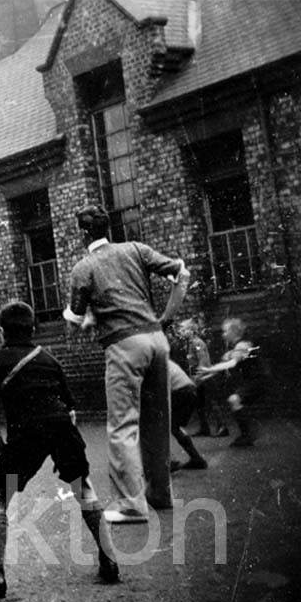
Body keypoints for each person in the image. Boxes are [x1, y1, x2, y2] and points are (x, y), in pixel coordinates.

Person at [0, 301, 119, 599]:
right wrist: (64, 445)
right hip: (61, 427)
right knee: (84, 488)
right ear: (32, 329)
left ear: (2, 331)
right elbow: (71, 411)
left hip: (26, 433)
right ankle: (110, 561)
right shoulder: (50, 359)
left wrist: (0, 445)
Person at [64, 206, 190, 524]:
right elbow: (181, 272)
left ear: (83, 233)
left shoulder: (83, 267)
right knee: (157, 421)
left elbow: (74, 321)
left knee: (122, 426)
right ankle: (160, 494)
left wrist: (87, 320)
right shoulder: (136, 249)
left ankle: (131, 505)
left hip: (124, 347)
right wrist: (166, 317)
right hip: (157, 340)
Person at [197, 317, 266, 447]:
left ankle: (248, 435)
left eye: (225, 331)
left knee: (234, 400)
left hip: (258, 380)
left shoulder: (243, 345)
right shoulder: (234, 349)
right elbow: (223, 366)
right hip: (250, 381)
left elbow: (232, 363)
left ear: (234, 332)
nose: (223, 334)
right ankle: (248, 433)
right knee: (235, 401)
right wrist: (205, 377)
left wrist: (209, 369)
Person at [177, 318, 227, 437]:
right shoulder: (189, 343)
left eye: (183, 330)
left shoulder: (197, 343)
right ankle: (204, 428)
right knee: (199, 404)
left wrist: (195, 380)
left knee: (212, 403)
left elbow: (203, 363)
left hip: (205, 377)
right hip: (198, 377)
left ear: (191, 331)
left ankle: (223, 427)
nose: (181, 332)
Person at [167, 359, 208, 471]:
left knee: (162, 425)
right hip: (189, 391)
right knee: (174, 427)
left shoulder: (155, 363)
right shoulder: (165, 360)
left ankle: (171, 461)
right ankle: (196, 459)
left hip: (180, 392)